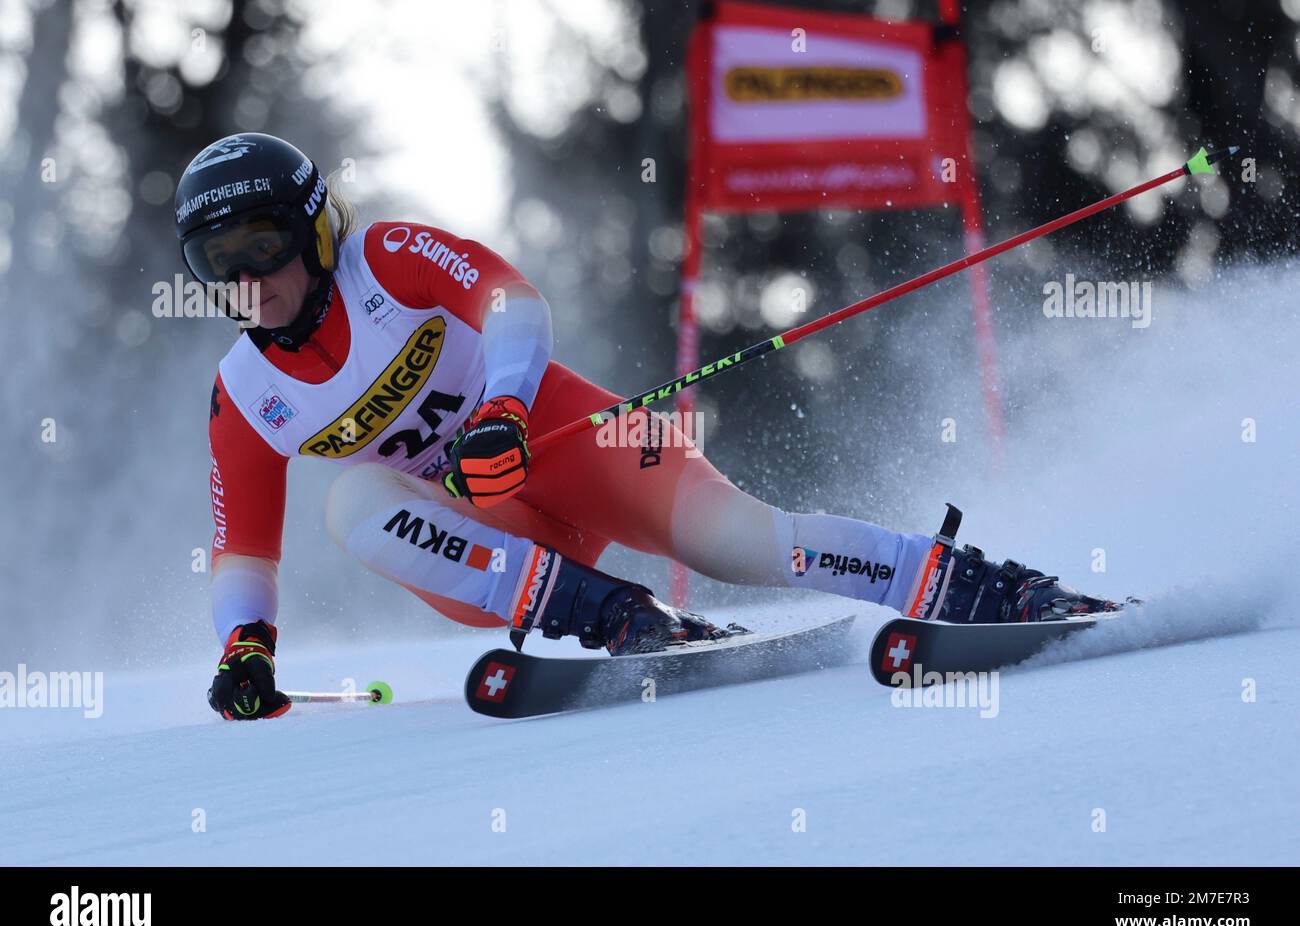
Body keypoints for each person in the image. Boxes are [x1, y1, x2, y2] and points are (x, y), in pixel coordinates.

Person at [178, 133, 1115, 721]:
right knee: (355, 502)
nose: (246, 280)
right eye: (218, 261)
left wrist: (502, 406)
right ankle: (609, 613)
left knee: (743, 542)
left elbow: (514, 302)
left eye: (262, 246)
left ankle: (980, 585)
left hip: (570, 440)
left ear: (315, 232)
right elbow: (242, 553)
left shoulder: (383, 259)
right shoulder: (244, 390)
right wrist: (247, 649)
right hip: (495, 543)